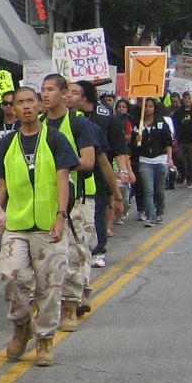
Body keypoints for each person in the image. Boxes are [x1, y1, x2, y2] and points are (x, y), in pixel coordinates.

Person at [0, 87, 76, 367]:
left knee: (49, 284)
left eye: (30, 101)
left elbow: (63, 180)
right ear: (12, 109)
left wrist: (61, 216)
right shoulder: (6, 143)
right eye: (19, 103)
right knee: (11, 275)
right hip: (16, 223)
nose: (25, 107)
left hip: (48, 223)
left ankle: (44, 339)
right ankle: (21, 324)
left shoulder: (55, 138)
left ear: (39, 105)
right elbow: (0, 185)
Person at [41, 75, 101, 334]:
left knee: (75, 253)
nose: (45, 94)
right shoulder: (38, 124)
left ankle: (69, 306)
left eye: (51, 89)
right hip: (45, 198)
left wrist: (61, 164)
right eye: (42, 90)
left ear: (64, 93)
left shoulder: (78, 123)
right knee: (46, 256)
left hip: (76, 197)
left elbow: (89, 161)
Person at [69, 80, 127, 273]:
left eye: (74, 93)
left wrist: (122, 178)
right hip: (64, 183)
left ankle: (98, 250)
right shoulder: (47, 122)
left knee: (96, 216)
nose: (67, 96)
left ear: (84, 98)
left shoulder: (97, 122)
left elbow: (106, 157)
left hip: (93, 180)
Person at [130, 97, 175, 226]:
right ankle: (151, 216)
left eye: (150, 106)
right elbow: (133, 145)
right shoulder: (138, 125)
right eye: (146, 106)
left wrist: (169, 158)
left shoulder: (161, 123)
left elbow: (168, 142)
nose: (148, 109)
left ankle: (159, 211)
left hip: (160, 160)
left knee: (159, 189)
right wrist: (136, 139)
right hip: (145, 161)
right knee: (148, 189)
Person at [176, 93, 192, 188]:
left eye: (189, 98)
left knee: (191, 160)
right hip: (181, 140)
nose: (187, 100)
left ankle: (191, 179)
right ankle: (182, 175)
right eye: (185, 98)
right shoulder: (178, 112)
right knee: (180, 159)